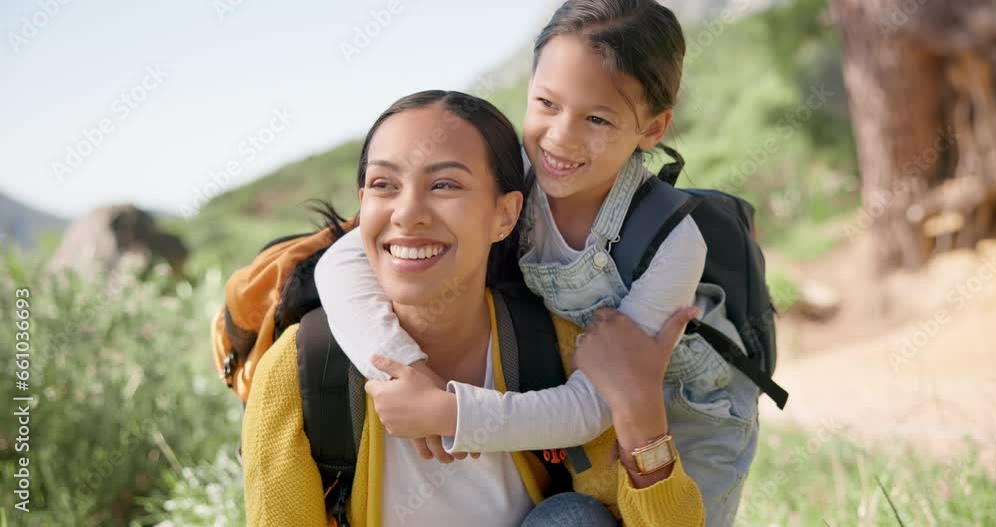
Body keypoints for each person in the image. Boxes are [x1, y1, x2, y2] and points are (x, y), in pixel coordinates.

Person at [315, 1, 759, 525]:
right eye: (546, 103)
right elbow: (338, 264)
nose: (560, 138)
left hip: (685, 408)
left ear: (653, 128)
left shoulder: (672, 241)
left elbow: (595, 403)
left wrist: (453, 413)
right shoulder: (509, 178)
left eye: (597, 118)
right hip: (570, 387)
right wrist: (404, 370)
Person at [242, 90, 704, 526]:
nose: (408, 213)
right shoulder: (302, 370)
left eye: (444, 184)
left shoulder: (552, 351)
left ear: (505, 215)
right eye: (384, 184)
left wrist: (644, 427)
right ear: (363, 206)